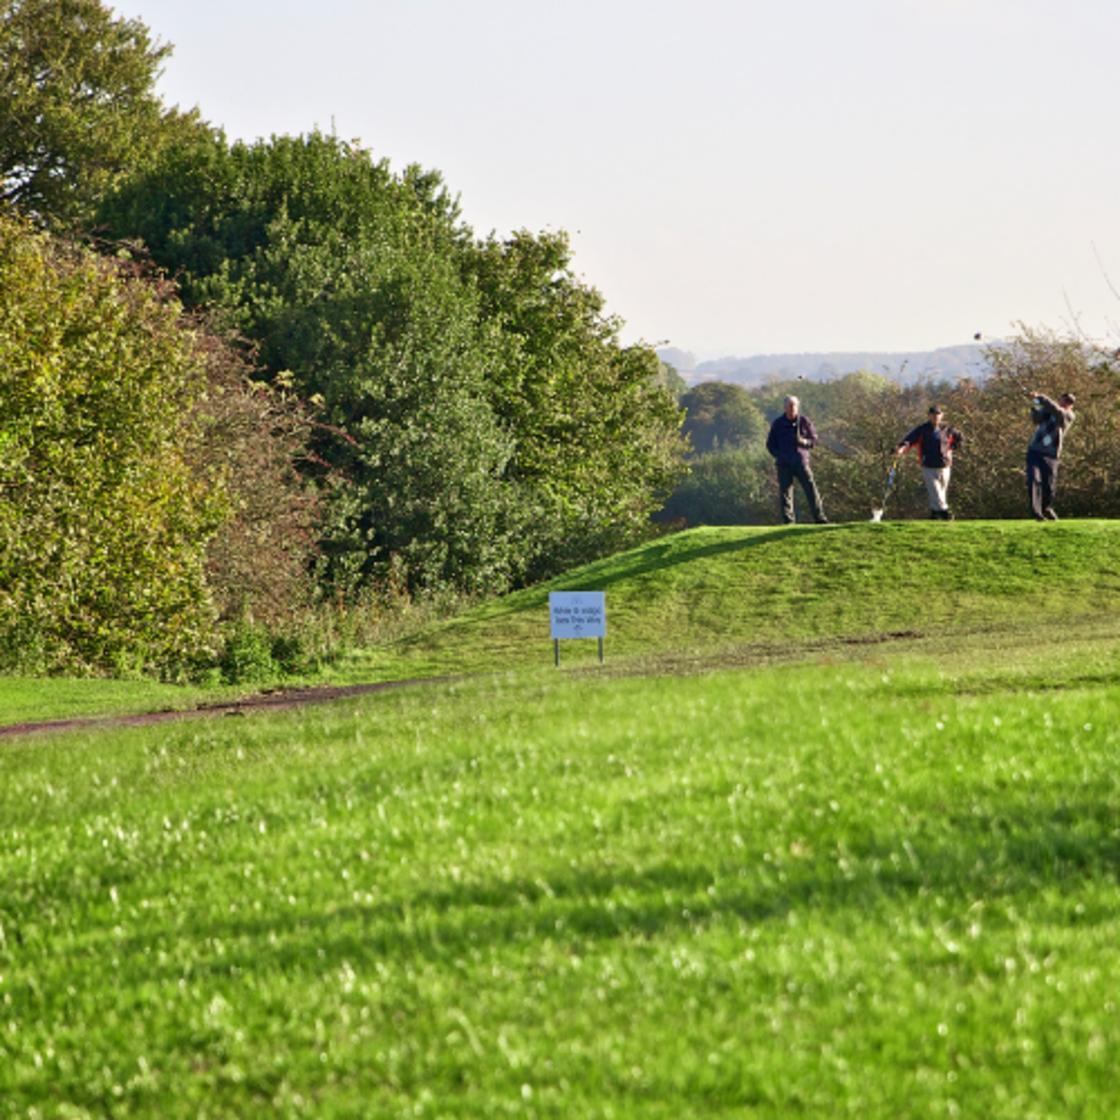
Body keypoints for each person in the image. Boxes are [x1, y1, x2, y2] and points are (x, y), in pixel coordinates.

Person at [893, 405, 965, 520]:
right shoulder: (922, 430)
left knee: (941, 491)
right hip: (928, 466)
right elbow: (910, 440)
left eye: (938, 415)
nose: (935, 417)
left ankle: (935, 514)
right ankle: (944, 512)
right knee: (935, 490)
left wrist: (951, 448)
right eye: (933, 415)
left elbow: (961, 439)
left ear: (941, 416)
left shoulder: (948, 429)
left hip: (945, 465)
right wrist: (901, 448)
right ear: (929, 416)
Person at [766, 395, 828, 524]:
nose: (793, 408)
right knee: (785, 495)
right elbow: (770, 444)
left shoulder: (804, 421)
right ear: (785, 407)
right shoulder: (778, 424)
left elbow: (814, 441)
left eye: (794, 405)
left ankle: (820, 519)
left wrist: (804, 441)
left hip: (801, 463)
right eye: (790, 405)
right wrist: (779, 455)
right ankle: (789, 522)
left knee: (811, 491)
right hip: (784, 464)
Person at [1024, 389, 1075, 521]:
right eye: (1065, 400)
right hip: (1035, 451)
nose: (1066, 403)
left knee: (1049, 485)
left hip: (1051, 455)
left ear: (1071, 405)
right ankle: (1037, 513)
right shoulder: (1047, 411)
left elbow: (1056, 410)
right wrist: (1035, 403)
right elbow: (1036, 419)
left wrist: (1040, 397)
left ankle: (1046, 508)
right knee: (1033, 480)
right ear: (1060, 400)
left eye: (1069, 402)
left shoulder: (1067, 416)